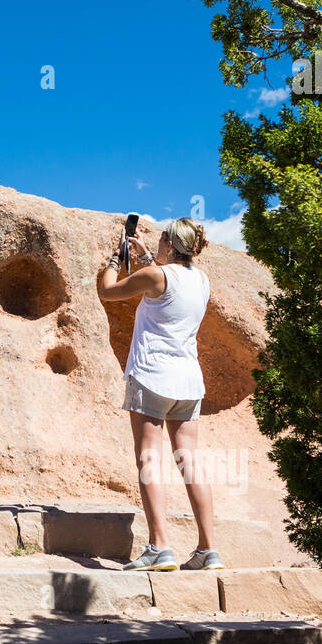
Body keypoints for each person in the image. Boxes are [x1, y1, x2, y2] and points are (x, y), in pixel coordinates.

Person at [97, 217, 221, 572]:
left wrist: (113, 258)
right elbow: (168, 283)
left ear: (169, 242)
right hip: (187, 381)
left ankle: (159, 546)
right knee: (190, 461)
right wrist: (145, 253)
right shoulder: (201, 280)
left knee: (149, 459)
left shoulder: (156, 276)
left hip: (152, 376)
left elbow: (108, 291)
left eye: (162, 238)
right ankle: (208, 550)